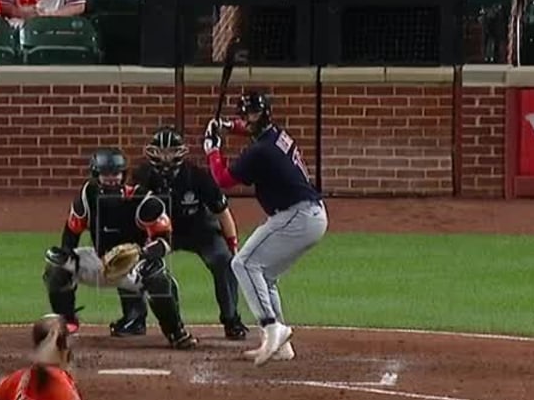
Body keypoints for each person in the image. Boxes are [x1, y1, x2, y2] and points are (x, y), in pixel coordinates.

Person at [204, 91, 327, 366]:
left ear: (265, 113)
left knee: (243, 264)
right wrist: (224, 126)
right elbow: (246, 128)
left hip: (297, 216)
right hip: (307, 216)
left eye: (253, 113)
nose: (247, 118)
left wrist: (212, 150)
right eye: (245, 113)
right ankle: (280, 345)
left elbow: (223, 180)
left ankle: (272, 327)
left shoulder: (259, 151)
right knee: (264, 274)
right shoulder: (274, 135)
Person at [42, 147, 199, 350]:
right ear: (96, 175)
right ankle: (67, 321)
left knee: (157, 274)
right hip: (100, 262)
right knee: (57, 263)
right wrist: (66, 257)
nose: (112, 179)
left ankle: (176, 333)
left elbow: (165, 241)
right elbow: (71, 234)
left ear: (123, 174)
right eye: (106, 174)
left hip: (132, 266)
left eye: (115, 173)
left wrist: (140, 253)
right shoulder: (87, 196)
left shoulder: (142, 200)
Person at [116, 126, 249, 342]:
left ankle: (231, 319)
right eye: (161, 151)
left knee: (223, 260)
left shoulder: (197, 176)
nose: (165, 157)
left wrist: (232, 245)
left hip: (200, 230)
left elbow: (222, 211)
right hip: (160, 233)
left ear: (180, 153)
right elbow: (128, 209)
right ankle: (135, 318)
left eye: (170, 152)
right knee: (127, 259)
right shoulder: (142, 175)